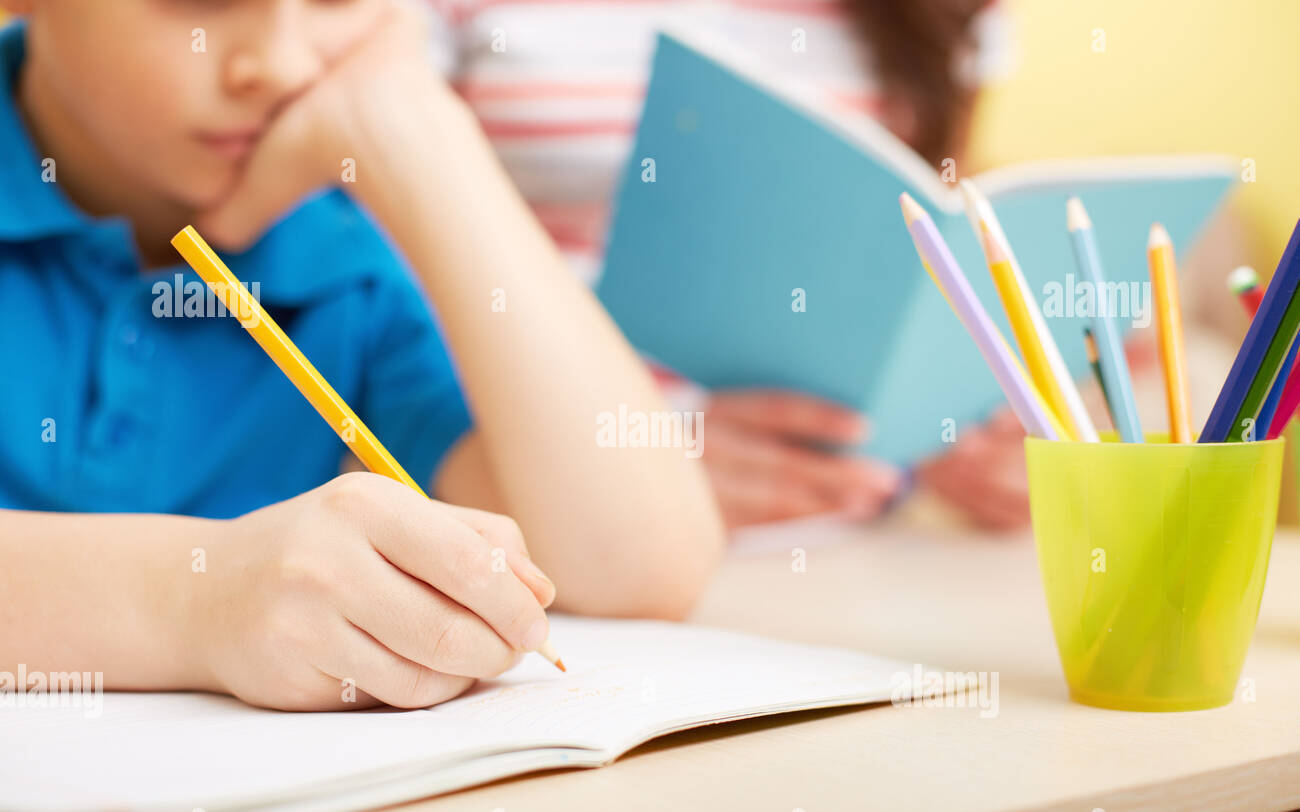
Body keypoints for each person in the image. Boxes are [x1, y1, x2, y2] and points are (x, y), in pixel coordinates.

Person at [0, 0, 724, 711]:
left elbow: (637, 565)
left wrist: (417, 135)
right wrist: (195, 597)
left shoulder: (345, 259)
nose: (282, 65)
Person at [424, 0, 1035, 528]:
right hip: (537, 519)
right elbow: (369, 280)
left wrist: (960, 421)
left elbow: (930, 234)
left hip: (858, 537)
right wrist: (628, 461)